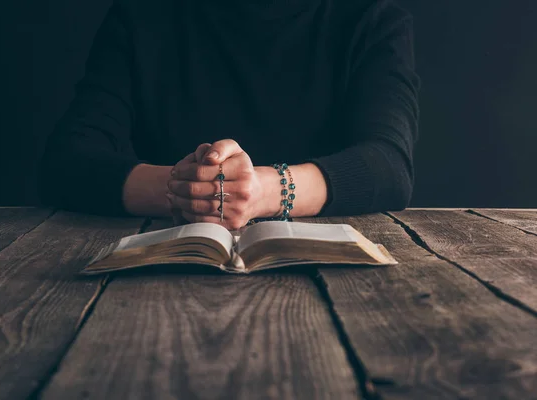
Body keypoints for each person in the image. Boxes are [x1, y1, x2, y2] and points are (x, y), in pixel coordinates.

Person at [40, 0, 420, 230]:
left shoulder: (371, 20)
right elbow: (67, 163)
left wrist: (264, 192)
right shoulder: (142, 16)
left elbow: (387, 166)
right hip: (162, 270)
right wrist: (184, 192)